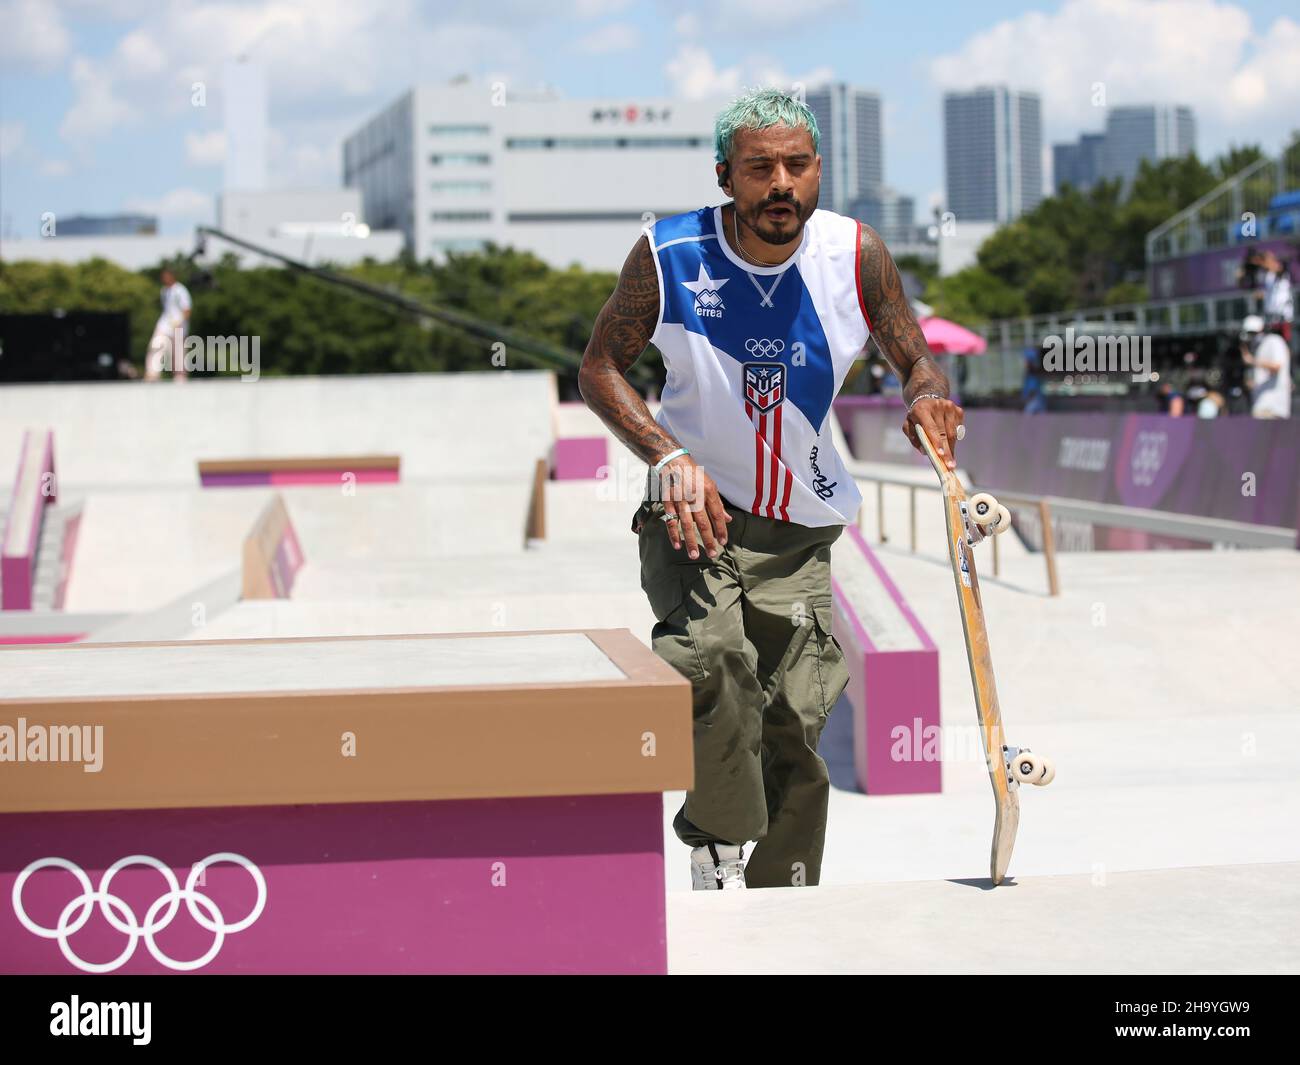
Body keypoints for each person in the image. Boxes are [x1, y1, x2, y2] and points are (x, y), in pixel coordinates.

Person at [578, 88, 961, 890]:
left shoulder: (856, 256)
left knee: (794, 725)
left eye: (797, 164)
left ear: (819, 169)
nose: (780, 182)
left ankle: (784, 897)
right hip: (694, 513)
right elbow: (600, 366)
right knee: (711, 659)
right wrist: (666, 452)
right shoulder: (670, 252)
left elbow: (916, 359)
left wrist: (924, 393)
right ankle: (717, 844)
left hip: (799, 525)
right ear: (727, 176)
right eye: (759, 168)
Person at [144, 267, 192, 382]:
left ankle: (180, 377)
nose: (164, 279)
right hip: (165, 324)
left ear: (172, 276)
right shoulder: (164, 291)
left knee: (178, 352)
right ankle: (152, 374)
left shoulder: (181, 290)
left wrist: (179, 321)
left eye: (166, 276)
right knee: (156, 345)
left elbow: (187, 310)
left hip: (179, 325)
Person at [1240, 314, 1292, 419]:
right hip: (1263, 406)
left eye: (1253, 333)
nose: (1251, 337)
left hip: (1272, 407)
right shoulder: (1259, 348)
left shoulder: (1274, 341)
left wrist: (1251, 360)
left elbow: (1277, 366)